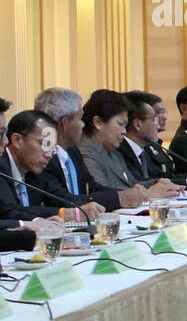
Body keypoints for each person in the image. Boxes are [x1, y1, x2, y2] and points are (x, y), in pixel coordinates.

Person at [0, 110, 104, 223]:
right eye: (44, 144)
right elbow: (9, 212)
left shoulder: (34, 171)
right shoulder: (2, 167)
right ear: (17, 140)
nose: (49, 154)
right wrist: (67, 214)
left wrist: (115, 199)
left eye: (52, 148)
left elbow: (64, 199)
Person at [76, 89, 182, 199]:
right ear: (98, 122)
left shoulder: (113, 152)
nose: (124, 131)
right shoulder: (85, 152)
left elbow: (132, 184)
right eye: (120, 124)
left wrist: (158, 183)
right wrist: (147, 194)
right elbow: (100, 192)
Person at [32, 87, 121, 211]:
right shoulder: (42, 157)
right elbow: (63, 199)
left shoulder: (72, 150)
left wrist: (125, 194)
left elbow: (91, 186)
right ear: (65, 122)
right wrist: (119, 198)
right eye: (80, 119)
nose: (83, 124)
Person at [0, 98, 64, 250]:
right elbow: (9, 212)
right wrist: (26, 225)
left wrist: (36, 226)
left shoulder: (33, 170)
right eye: (1, 134)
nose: (4, 141)